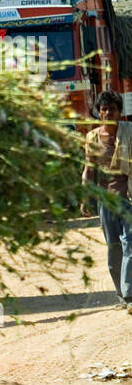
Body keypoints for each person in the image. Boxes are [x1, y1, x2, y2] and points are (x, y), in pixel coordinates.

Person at [81, 89, 132, 310]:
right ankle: (121, 295)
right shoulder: (92, 138)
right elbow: (88, 171)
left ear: (120, 112)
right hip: (106, 201)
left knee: (130, 243)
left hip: (128, 197)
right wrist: (85, 198)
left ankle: (130, 294)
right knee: (113, 247)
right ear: (99, 113)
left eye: (112, 108)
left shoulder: (130, 131)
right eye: (104, 109)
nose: (108, 112)